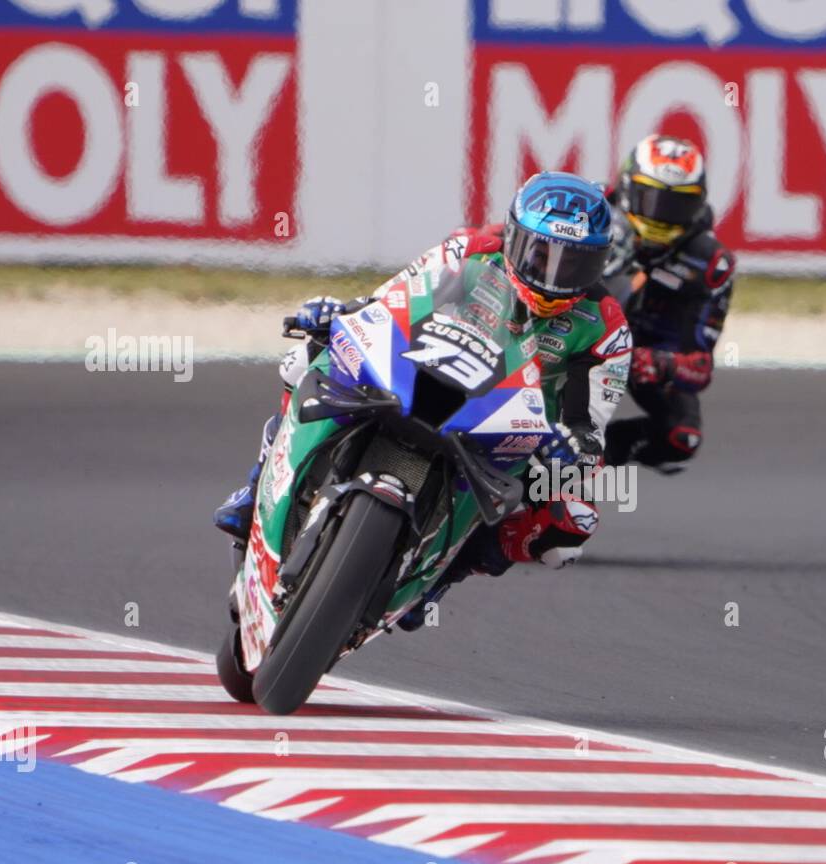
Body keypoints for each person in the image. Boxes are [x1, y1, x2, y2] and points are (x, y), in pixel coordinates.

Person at [214, 171, 633, 628]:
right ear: (513, 236)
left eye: (575, 264)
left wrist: (573, 447)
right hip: (424, 372)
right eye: (542, 255)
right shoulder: (469, 252)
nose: (554, 276)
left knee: (569, 528)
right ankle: (257, 485)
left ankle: (444, 573)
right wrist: (341, 311)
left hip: (515, 429)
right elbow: (387, 302)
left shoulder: (606, 327)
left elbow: (590, 420)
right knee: (308, 353)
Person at [600, 134, 735, 473]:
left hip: (641, 352)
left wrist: (659, 363)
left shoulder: (710, 264)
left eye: (678, 206)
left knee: (682, 437)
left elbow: (700, 365)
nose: (663, 217)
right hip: (576, 318)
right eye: (652, 200)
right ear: (629, 189)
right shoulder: (593, 204)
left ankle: (595, 457)